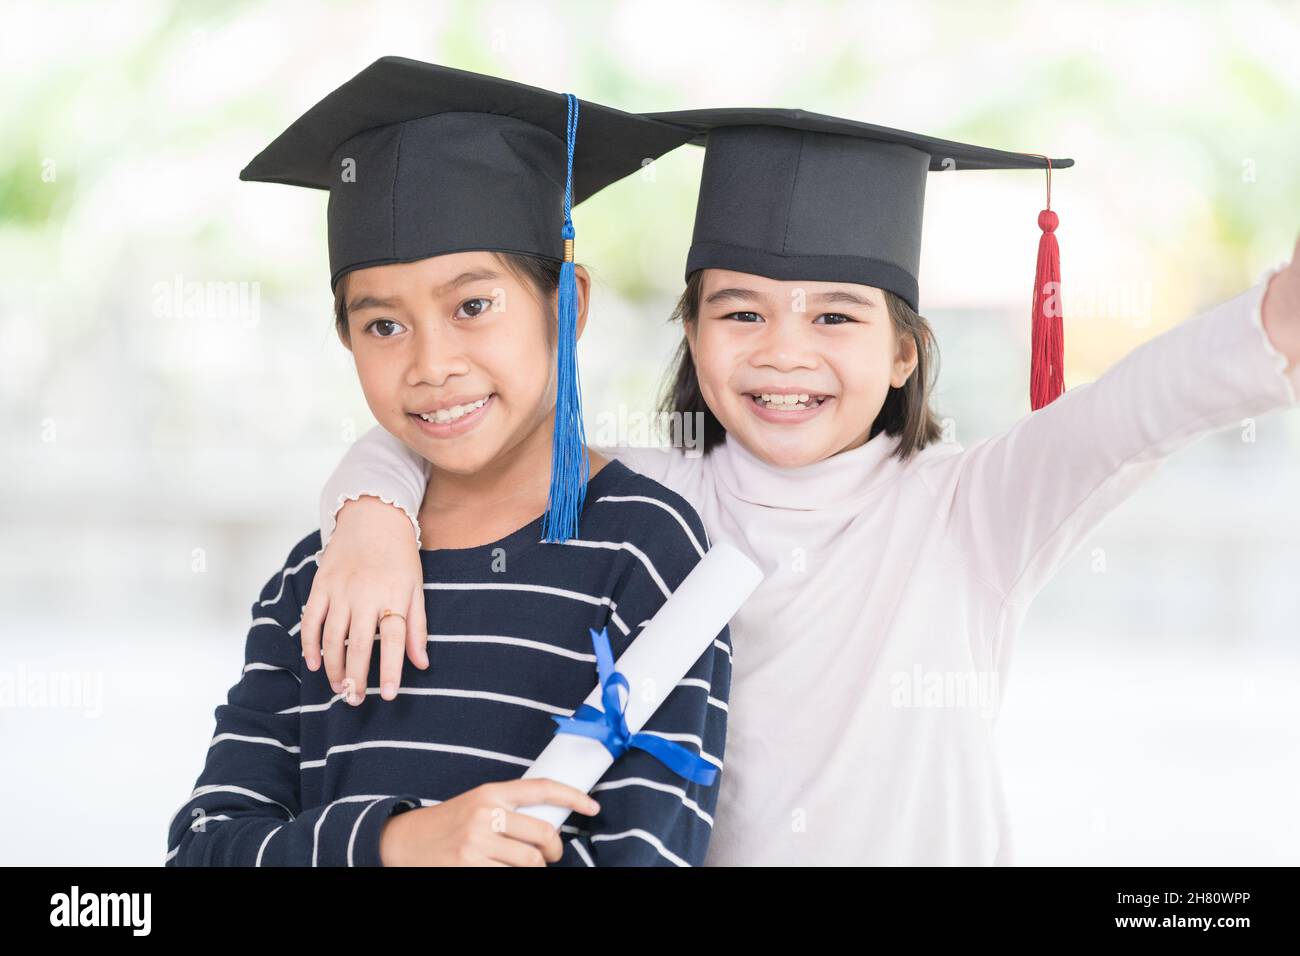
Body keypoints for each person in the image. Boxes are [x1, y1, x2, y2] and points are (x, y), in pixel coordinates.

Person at [308, 107, 1300, 865]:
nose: (785, 353)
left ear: (905, 352)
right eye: (740, 313)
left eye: (835, 318)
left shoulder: (973, 509)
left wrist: (1278, 322)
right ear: (693, 340)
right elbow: (464, 435)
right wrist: (372, 510)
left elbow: (1137, 407)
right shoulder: (646, 502)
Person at [165, 57, 730, 867]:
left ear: (567, 305)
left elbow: (648, 848)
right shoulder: (317, 584)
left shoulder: (643, 551)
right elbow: (203, 850)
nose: (431, 364)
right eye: (383, 326)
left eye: (473, 306)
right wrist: (397, 845)